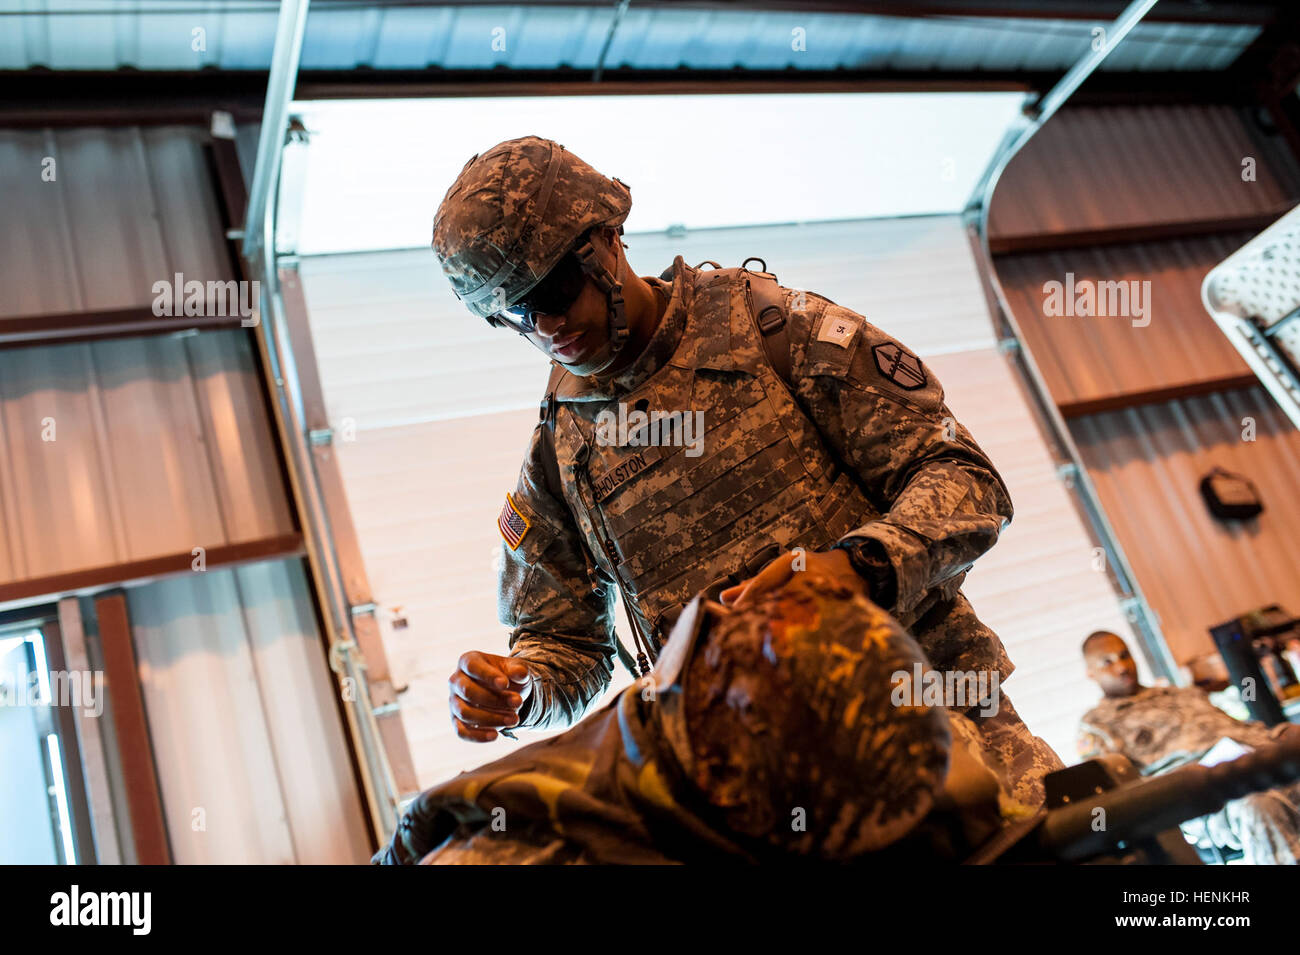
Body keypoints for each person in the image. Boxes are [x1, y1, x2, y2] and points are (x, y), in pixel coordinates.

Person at [431, 135, 1062, 806]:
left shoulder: (771, 330)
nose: (547, 324)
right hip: (766, 800)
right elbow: (564, 644)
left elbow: (964, 478)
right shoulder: (560, 459)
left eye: (557, 286)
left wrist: (858, 567)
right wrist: (521, 688)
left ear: (609, 237)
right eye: (515, 312)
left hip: (942, 732)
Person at [375, 575, 1037, 865]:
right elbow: (566, 638)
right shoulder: (524, 846)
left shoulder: (901, 778)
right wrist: (530, 687)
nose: (724, 605)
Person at [1078, 630, 1300, 864]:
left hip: (1258, 761)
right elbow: (1115, 796)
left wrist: (1282, 733)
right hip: (1201, 793)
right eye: (1108, 662)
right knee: (1260, 804)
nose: (1122, 667)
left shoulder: (1184, 695)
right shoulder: (1097, 726)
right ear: (1091, 673)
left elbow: (1243, 729)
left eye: (1125, 656)